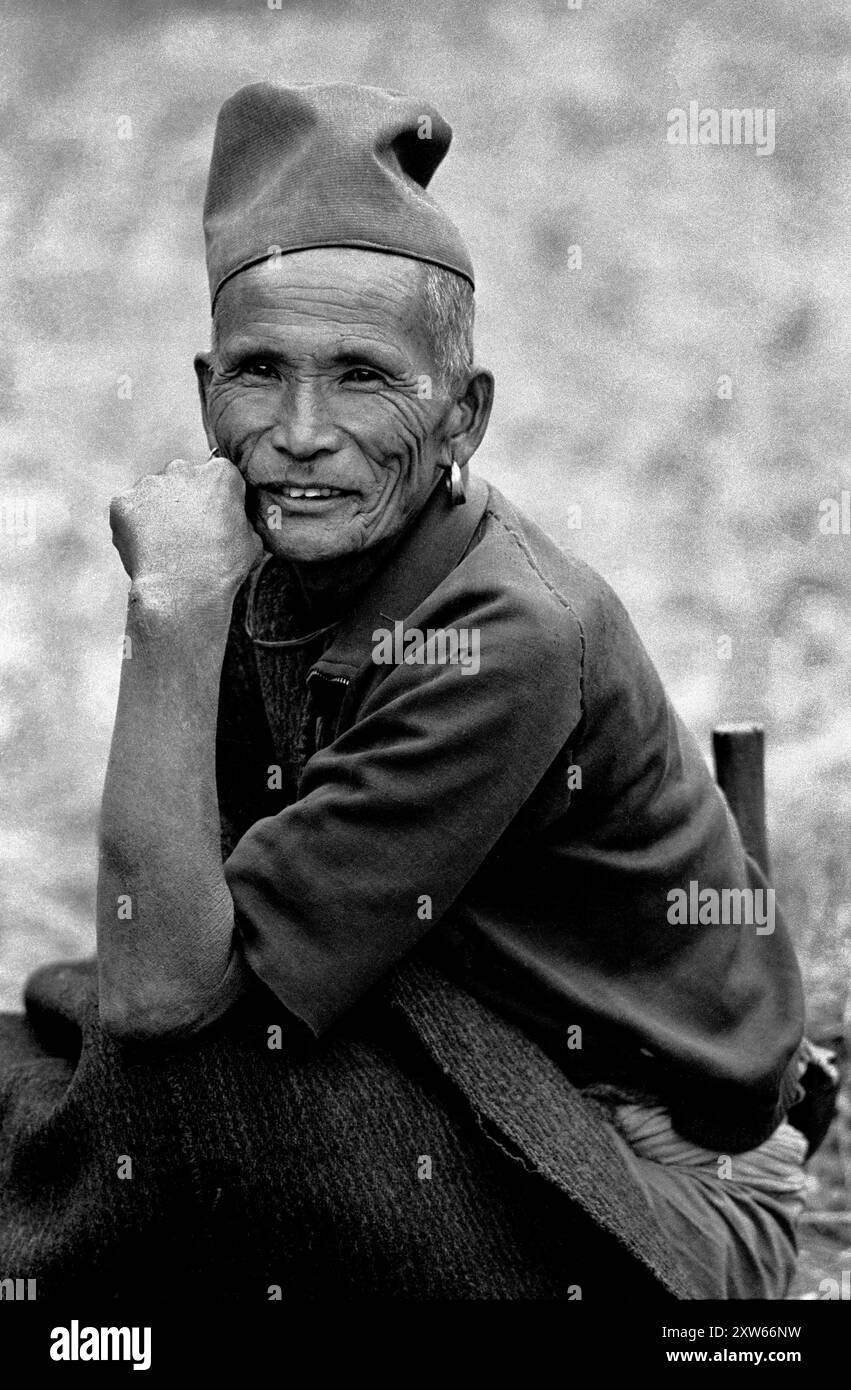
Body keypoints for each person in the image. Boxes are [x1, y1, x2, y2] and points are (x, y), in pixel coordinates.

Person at [0, 81, 814, 1301]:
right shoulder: (262, 559)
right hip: (438, 1040)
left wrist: (165, 622)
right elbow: (172, 937)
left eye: (364, 378)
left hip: (647, 1188)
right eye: (258, 372)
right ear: (202, 390)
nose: (300, 432)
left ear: (462, 417)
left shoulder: (502, 636)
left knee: (191, 1083)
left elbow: (165, 991)